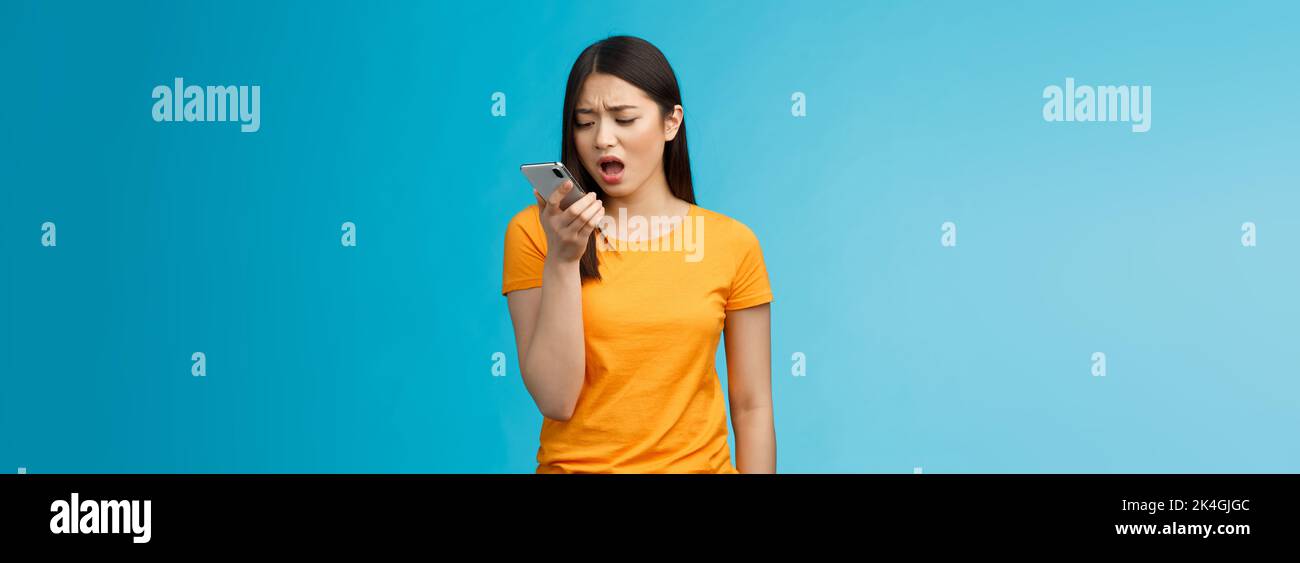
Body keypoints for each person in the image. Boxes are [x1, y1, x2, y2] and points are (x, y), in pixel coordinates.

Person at [502, 35, 775, 473]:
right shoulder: (535, 233)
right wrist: (563, 259)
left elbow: (752, 406)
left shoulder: (733, 244)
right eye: (585, 121)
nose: (602, 139)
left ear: (671, 123)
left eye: (624, 118)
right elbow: (555, 398)